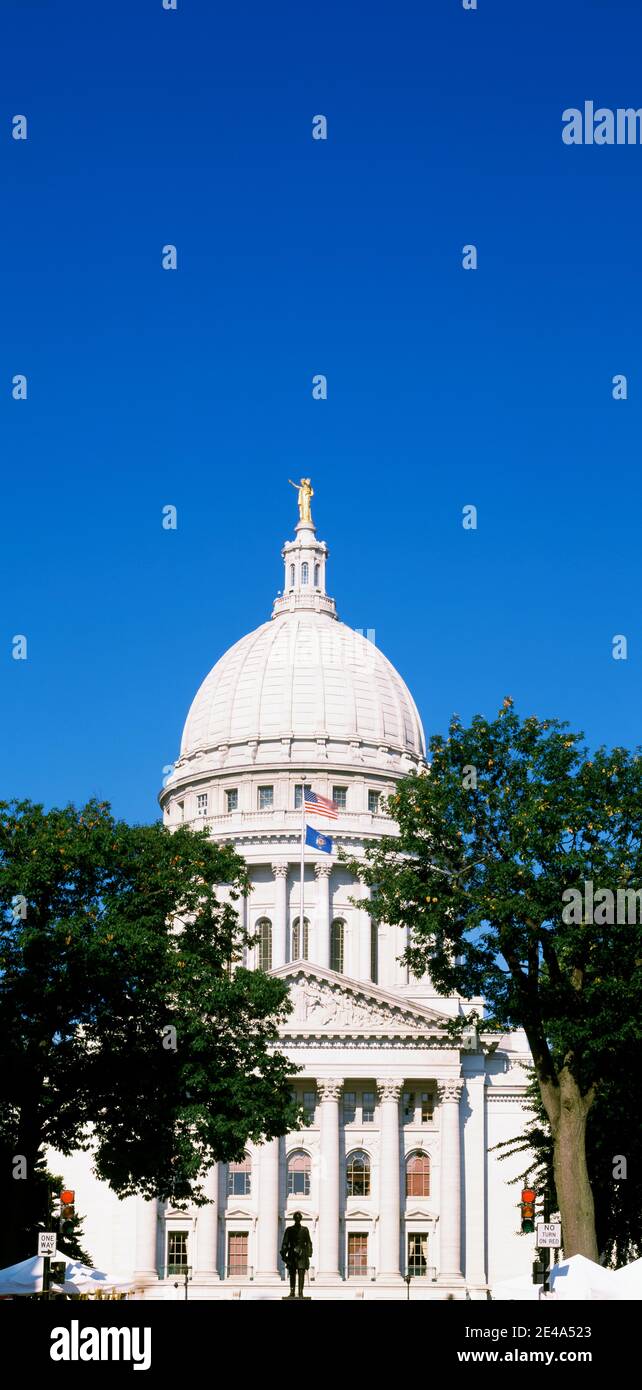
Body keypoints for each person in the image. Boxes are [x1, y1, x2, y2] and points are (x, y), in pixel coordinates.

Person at [280, 1211, 312, 1299]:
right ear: (294, 1219)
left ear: (301, 1219)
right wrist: (283, 1253)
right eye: (296, 1218)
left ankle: (301, 1292)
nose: (297, 1220)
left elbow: (308, 1242)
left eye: (299, 1218)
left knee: (301, 1273)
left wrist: (309, 1253)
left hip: (302, 1254)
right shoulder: (289, 1230)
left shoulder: (305, 1230)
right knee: (292, 1274)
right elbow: (285, 1242)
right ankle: (292, 1291)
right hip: (292, 1254)